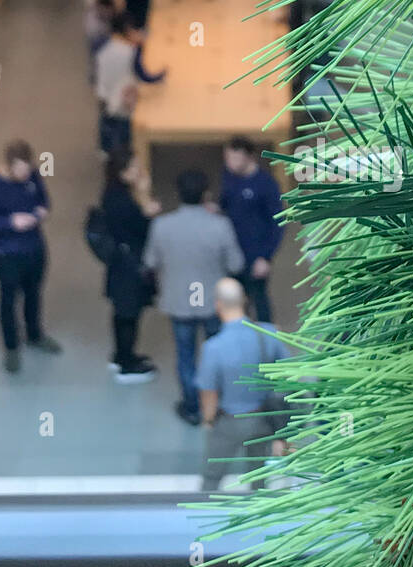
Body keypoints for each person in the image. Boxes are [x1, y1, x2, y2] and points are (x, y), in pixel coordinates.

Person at [143, 170, 245, 425]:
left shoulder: (162, 225)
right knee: (219, 354)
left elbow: (150, 261)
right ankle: (218, 404)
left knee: (185, 356)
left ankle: (193, 408)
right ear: (205, 195)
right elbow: (236, 264)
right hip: (214, 304)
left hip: (179, 302)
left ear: (178, 194)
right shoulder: (220, 225)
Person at [0, 139, 62, 373]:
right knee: (9, 299)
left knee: (34, 293)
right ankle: (11, 346)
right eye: (19, 170)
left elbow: (43, 199)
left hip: (34, 247)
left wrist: (42, 210)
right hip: (6, 253)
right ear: (8, 165)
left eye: (27, 168)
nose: (25, 174)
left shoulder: (33, 176)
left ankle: (34, 334)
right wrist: (10, 222)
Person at [197, 277, 292, 491]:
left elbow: (209, 392)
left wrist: (209, 420)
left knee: (212, 477)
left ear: (218, 305)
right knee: (258, 476)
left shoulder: (213, 347)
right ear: (245, 301)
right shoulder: (269, 334)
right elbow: (288, 377)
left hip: (229, 422)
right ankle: (256, 516)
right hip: (263, 418)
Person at [99, 147, 161, 383]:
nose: (139, 171)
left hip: (120, 264)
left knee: (121, 313)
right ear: (123, 173)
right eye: (133, 168)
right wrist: (149, 210)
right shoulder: (123, 200)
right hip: (130, 266)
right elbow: (143, 229)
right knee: (129, 314)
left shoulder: (112, 193)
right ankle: (127, 364)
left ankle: (121, 355)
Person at [220, 136, 285, 324]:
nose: (230, 163)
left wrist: (266, 256)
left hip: (256, 254)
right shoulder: (229, 178)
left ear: (250, 157)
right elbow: (225, 203)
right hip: (233, 252)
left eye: (235, 158)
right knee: (235, 302)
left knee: (259, 300)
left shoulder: (266, 184)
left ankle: (268, 343)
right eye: (228, 158)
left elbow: (278, 222)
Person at [94, 13, 140, 155]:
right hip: (123, 101)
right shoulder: (129, 52)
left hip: (106, 96)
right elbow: (141, 75)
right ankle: (124, 156)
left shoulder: (103, 50)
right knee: (123, 131)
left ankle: (105, 153)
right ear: (127, 30)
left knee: (107, 122)